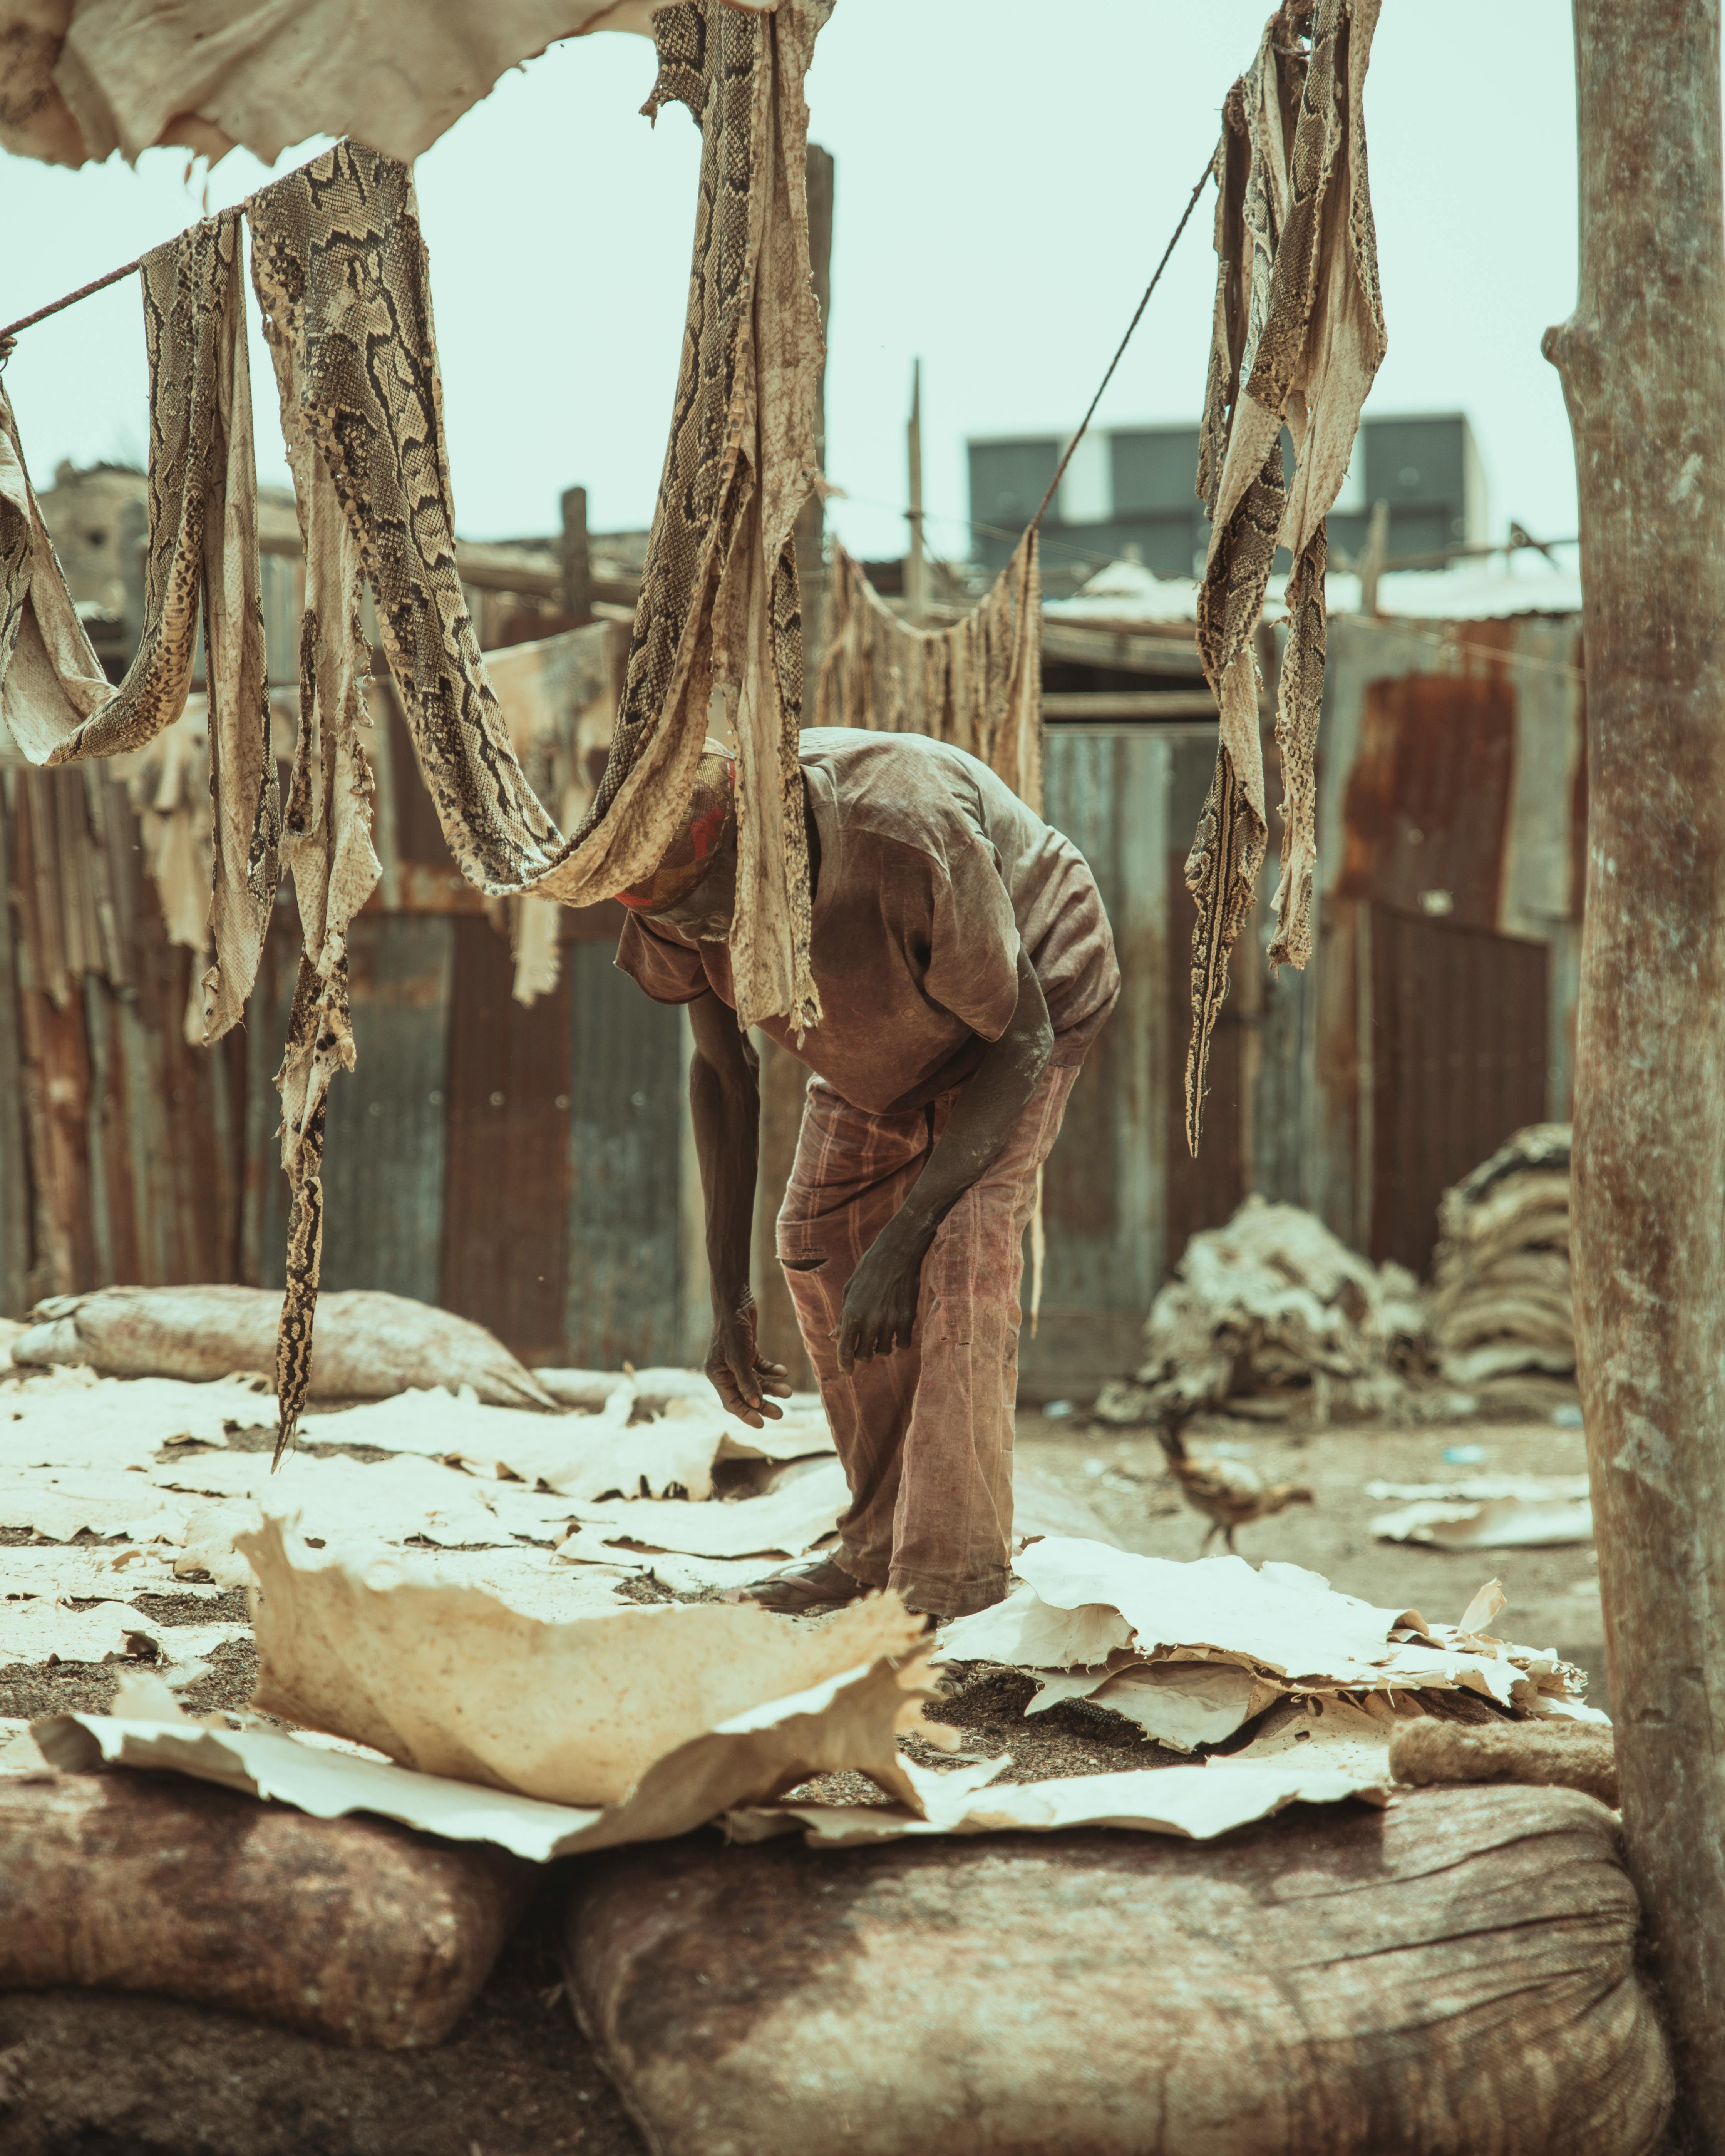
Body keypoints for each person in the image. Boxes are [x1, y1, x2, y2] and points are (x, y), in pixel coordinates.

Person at [613, 726, 1119, 1619]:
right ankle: (876, 1547)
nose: (705, 939)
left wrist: (907, 1235)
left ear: (764, 852)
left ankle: (949, 1588)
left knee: (960, 1265)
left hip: (1026, 997)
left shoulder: (904, 830)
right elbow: (723, 1073)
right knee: (816, 1240)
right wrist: (726, 1295)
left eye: (714, 913)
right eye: (680, 926)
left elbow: (1021, 1035)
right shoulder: (664, 873)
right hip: (884, 1023)